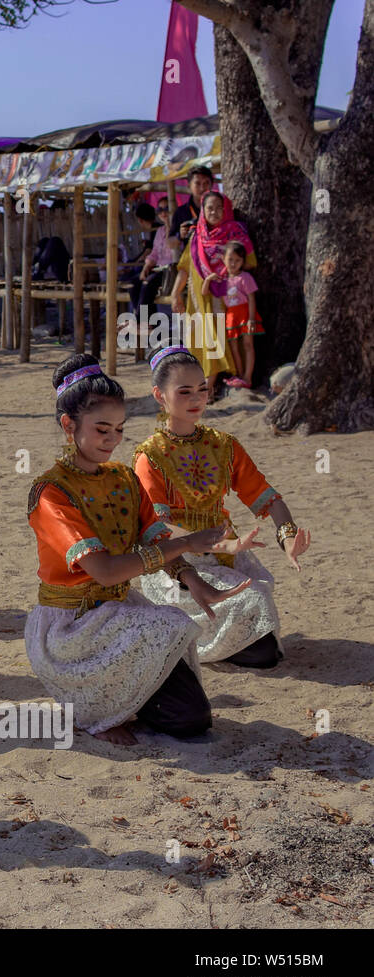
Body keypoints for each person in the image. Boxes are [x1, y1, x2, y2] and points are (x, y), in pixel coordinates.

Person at [24, 354, 249, 745]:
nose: (112, 440)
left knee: (193, 716)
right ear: (68, 425)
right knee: (177, 665)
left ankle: (124, 703)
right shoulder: (52, 493)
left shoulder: (122, 477)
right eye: (102, 430)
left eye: (119, 430)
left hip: (117, 611)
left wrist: (193, 579)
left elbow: (152, 537)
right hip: (69, 629)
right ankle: (95, 710)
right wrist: (189, 542)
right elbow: (106, 572)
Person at [133, 346, 310, 667]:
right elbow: (157, 527)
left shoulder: (223, 445)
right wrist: (222, 542)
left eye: (202, 389)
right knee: (256, 617)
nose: (196, 399)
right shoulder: (150, 457)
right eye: (184, 391)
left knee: (259, 609)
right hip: (177, 561)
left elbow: (268, 497)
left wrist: (287, 539)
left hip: (228, 554)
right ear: (160, 395)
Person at [171, 191, 243, 388]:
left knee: (217, 337)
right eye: (210, 208)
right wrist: (175, 293)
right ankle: (200, 383)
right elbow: (185, 268)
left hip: (222, 298)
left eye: (219, 208)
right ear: (203, 210)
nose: (215, 212)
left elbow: (248, 262)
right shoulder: (196, 237)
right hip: (197, 300)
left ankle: (209, 385)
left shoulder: (234, 233)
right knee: (197, 339)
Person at [202, 240, 262, 388]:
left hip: (244, 313)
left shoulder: (245, 277)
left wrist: (252, 319)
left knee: (248, 345)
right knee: (234, 347)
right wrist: (209, 279)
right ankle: (239, 375)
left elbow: (251, 298)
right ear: (223, 259)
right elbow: (204, 292)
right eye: (230, 259)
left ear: (243, 261)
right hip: (230, 316)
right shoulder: (222, 280)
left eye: (238, 260)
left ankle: (248, 378)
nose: (233, 263)